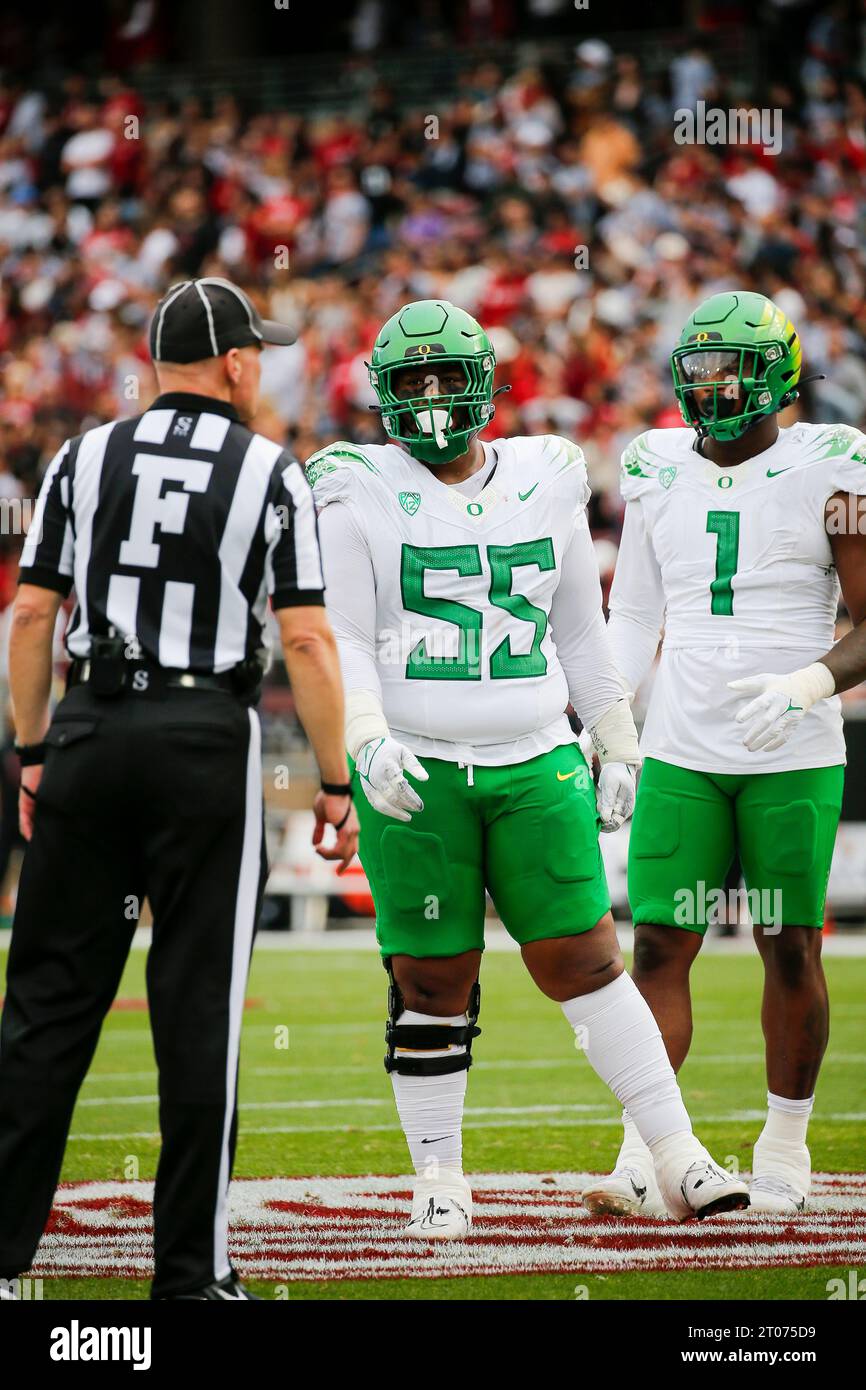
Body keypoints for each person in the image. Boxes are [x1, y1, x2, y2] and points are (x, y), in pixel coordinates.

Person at [306, 298, 748, 1239]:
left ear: (485, 386)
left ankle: (677, 1155)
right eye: (412, 381)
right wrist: (368, 737)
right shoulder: (355, 483)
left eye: (445, 377)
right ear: (382, 393)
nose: (431, 399)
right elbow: (342, 634)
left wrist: (617, 736)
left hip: (535, 755)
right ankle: (440, 1179)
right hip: (416, 765)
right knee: (432, 977)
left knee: (586, 959)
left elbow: (580, 627)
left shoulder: (547, 472)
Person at [0, 277, 358, 1301]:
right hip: (203, 737)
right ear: (237, 363)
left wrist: (35, 750)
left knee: (44, 1009)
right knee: (198, 1009)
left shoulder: (81, 456)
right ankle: (191, 1276)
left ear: (158, 364)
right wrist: (335, 780)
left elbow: (32, 617)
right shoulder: (268, 470)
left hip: (90, 728)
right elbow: (305, 638)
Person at [586, 290, 866, 1218]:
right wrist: (610, 722)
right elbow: (634, 614)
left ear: (778, 376)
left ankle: (785, 1146)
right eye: (699, 368)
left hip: (791, 748)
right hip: (682, 746)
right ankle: (646, 1152)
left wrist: (808, 684)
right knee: (658, 944)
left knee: (788, 945)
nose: (713, 386)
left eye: (732, 368)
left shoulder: (832, 463)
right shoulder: (656, 464)